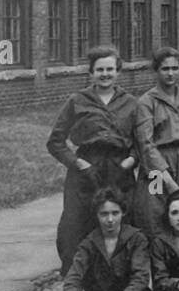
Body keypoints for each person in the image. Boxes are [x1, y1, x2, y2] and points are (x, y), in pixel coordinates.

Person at [47, 44, 139, 276]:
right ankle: (74, 283)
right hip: (86, 169)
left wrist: (131, 161)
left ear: (118, 71)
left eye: (110, 69)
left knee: (122, 223)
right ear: (91, 72)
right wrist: (79, 163)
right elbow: (55, 142)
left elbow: (143, 142)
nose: (105, 74)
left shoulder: (131, 103)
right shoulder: (77, 100)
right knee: (75, 225)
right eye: (99, 70)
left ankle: (120, 281)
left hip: (119, 169)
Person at [55, 187, 150, 291]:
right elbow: (72, 281)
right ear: (97, 215)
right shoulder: (88, 243)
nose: (110, 219)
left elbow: (140, 278)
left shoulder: (136, 238)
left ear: (123, 213)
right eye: (104, 214)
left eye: (115, 213)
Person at [134, 47, 179, 237]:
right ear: (156, 70)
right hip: (156, 169)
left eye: (175, 68)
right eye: (165, 69)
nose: (171, 73)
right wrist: (165, 178)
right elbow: (146, 143)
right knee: (154, 211)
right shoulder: (146, 101)